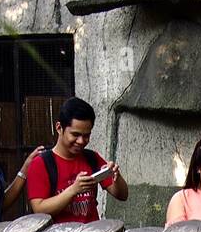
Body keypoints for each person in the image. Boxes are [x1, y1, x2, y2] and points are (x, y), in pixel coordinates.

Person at [25, 96, 129, 224]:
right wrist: (73, 190)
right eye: (75, 134)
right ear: (59, 128)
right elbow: (39, 209)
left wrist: (116, 177)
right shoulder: (41, 164)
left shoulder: (92, 158)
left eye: (86, 135)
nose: (81, 141)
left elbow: (122, 195)